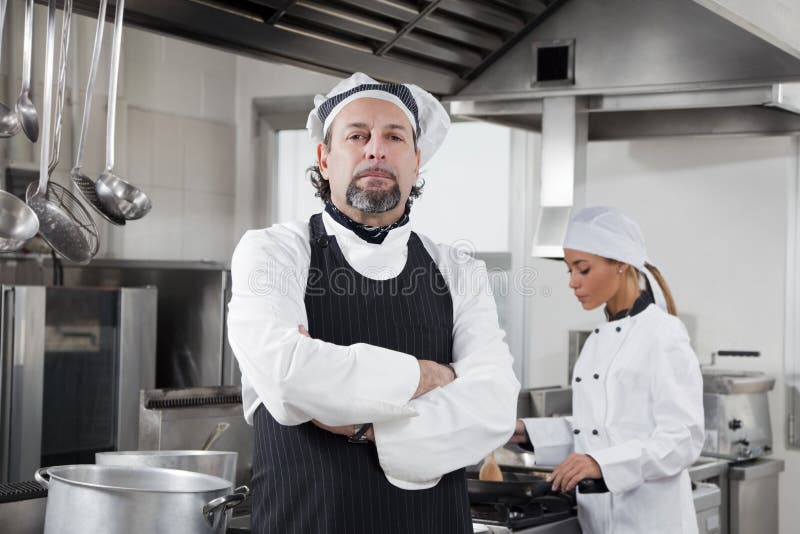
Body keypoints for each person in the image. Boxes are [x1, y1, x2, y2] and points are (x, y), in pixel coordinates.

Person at [227, 72, 520, 534]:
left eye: (394, 136)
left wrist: (365, 426)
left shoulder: (457, 268)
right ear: (324, 158)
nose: (375, 149)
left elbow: (496, 407)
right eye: (357, 135)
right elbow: (287, 376)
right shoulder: (274, 252)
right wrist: (428, 376)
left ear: (417, 160)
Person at [510, 206, 704, 534]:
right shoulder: (594, 343)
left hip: (651, 522)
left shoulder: (663, 334)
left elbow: (682, 438)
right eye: (569, 270)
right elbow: (594, 429)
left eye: (583, 269)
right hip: (597, 521)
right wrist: (526, 432)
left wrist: (601, 464)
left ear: (620, 263)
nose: (572, 282)